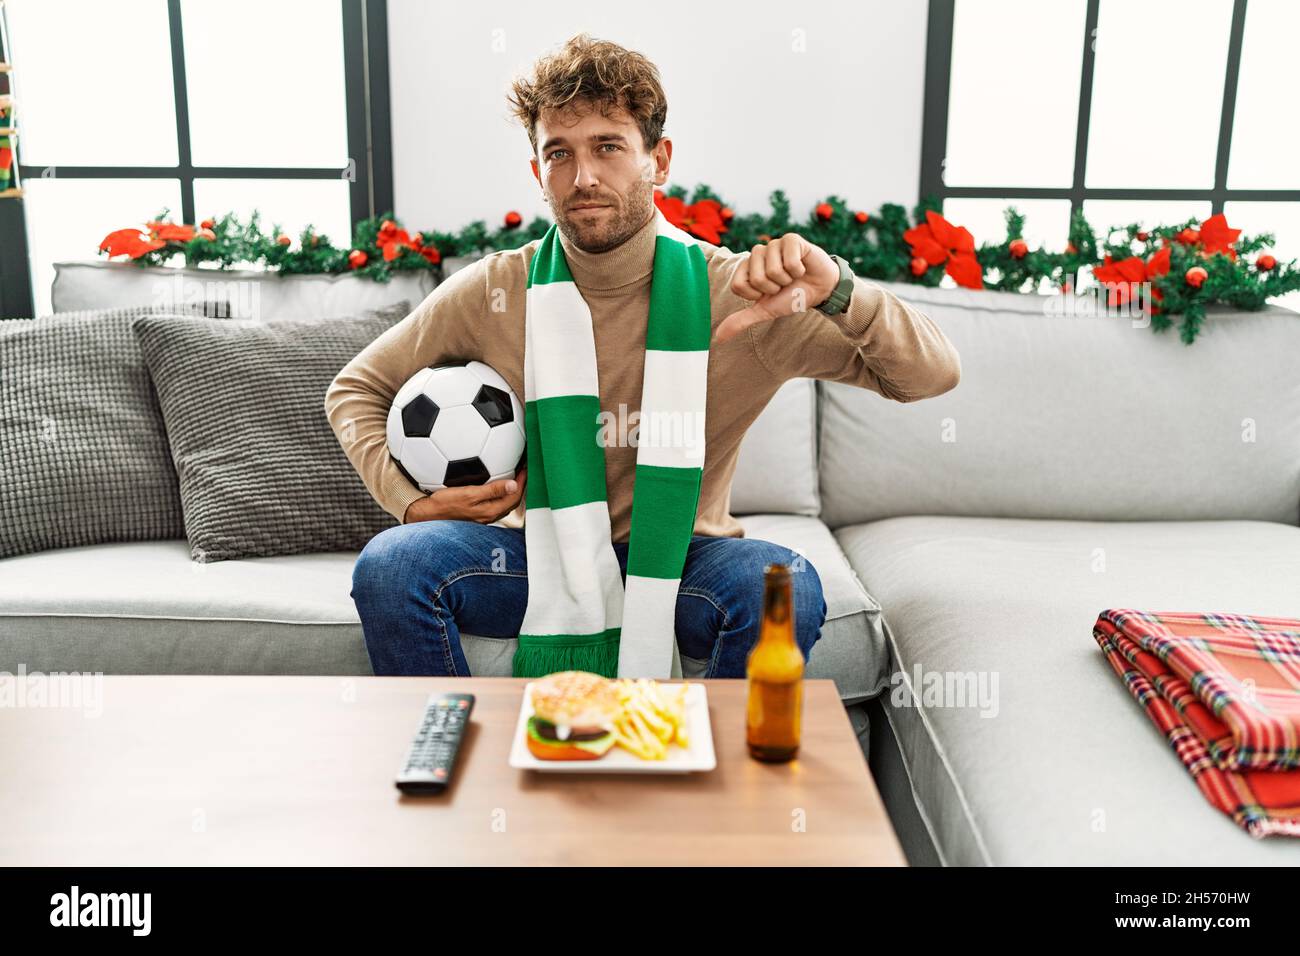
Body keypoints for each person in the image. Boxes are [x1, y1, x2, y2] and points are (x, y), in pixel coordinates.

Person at [325, 33, 960, 678]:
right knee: (393, 564)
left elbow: (931, 376)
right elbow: (355, 389)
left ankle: (712, 772)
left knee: (784, 584)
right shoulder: (496, 289)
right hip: (537, 561)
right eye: (559, 153)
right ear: (537, 171)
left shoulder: (740, 295)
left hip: (686, 561)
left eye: (609, 146)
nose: (584, 177)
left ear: (658, 157)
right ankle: (455, 760)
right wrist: (409, 501)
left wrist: (841, 291)